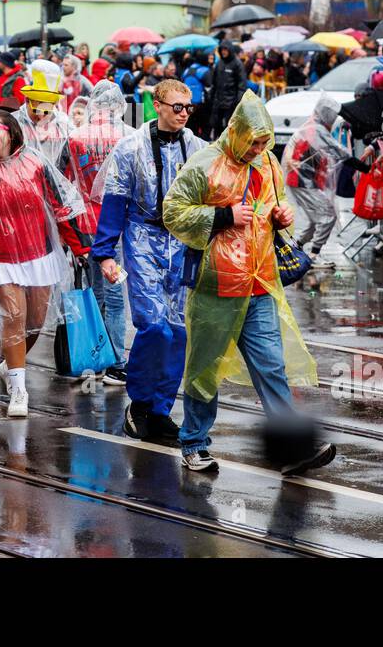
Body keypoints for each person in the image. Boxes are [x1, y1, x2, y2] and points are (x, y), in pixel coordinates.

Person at [162, 90, 335, 474]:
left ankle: (291, 447)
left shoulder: (269, 162)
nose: (259, 148)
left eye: (264, 142)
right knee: (204, 369)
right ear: (237, 133)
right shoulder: (204, 165)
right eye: (254, 141)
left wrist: (281, 215)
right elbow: (173, 212)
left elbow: (268, 209)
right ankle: (193, 442)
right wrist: (223, 216)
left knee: (271, 366)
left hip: (259, 282)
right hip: (217, 285)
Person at [93, 79, 200, 440]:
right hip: (142, 238)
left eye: (188, 107)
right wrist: (105, 252)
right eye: (177, 107)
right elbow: (115, 200)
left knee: (179, 332)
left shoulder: (196, 148)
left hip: (182, 244)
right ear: (158, 105)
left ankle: (160, 409)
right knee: (154, 324)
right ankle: (139, 402)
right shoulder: (130, 147)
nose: (183, 113)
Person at [0, 109, 89, 418]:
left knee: (35, 321)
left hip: (39, 254)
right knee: (15, 317)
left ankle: (11, 363)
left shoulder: (35, 163)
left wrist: (81, 248)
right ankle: (19, 389)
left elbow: (61, 207)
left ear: (11, 131)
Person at [65, 81, 133, 385]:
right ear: (119, 105)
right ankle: (117, 361)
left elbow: (65, 185)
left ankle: (98, 354)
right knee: (117, 295)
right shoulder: (129, 136)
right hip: (118, 224)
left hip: (87, 225)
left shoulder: (75, 137)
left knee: (97, 292)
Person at [281, 97, 352, 265]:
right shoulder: (317, 129)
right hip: (302, 180)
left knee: (315, 219)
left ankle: (295, 248)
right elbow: (339, 151)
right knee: (328, 215)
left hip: (300, 179)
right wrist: (362, 166)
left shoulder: (311, 125)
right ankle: (313, 254)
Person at [14, 59, 74, 165]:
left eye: (47, 113)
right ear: (27, 100)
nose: (41, 116)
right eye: (37, 111)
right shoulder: (13, 123)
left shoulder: (63, 123)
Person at [210, 41, 246, 135]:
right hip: (219, 100)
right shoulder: (220, 63)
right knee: (216, 124)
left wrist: (238, 101)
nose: (223, 52)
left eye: (225, 49)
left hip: (231, 101)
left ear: (230, 50)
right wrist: (211, 96)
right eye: (222, 50)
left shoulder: (238, 64)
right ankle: (218, 143)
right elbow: (214, 82)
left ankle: (229, 146)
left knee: (229, 126)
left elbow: (241, 85)